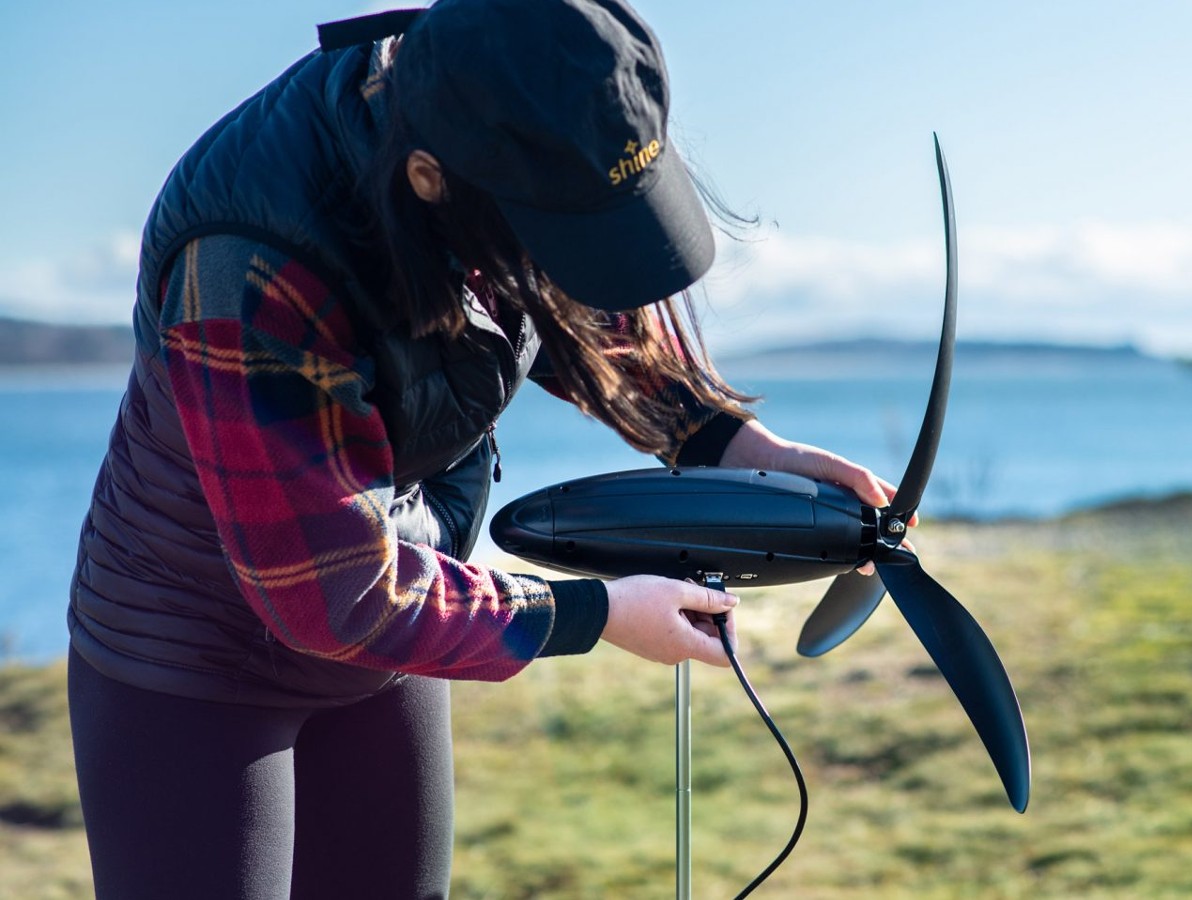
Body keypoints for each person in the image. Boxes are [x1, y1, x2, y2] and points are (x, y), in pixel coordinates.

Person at [65, 2, 904, 897]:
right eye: (554, 232)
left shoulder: (517, 101)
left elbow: (584, 301)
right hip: (196, 656)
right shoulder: (249, 261)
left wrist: (733, 442)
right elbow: (331, 591)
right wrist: (595, 613)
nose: (559, 261)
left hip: (389, 612)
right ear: (429, 180)